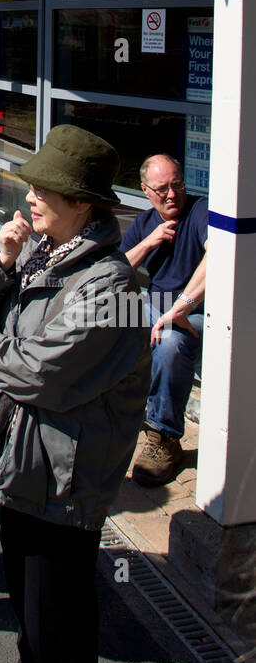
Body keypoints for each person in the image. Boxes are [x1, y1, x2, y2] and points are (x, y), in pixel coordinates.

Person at [0, 125, 150, 663]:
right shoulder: (40, 254)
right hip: (27, 463)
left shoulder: (111, 285)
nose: (29, 196)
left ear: (82, 204)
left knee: (60, 620)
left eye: (45, 189)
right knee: (27, 600)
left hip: (67, 478)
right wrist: (3, 265)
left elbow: (40, 374)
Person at [120, 154, 207, 487]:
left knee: (169, 343)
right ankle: (96, 407)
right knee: (92, 317)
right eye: (162, 189)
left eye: (177, 185)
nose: (172, 195)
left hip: (196, 314)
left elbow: (218, 254)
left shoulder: (200, 212)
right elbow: (115, 270)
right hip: (153, 306)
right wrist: (149, 241)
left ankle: (163, 436)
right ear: (145, 191)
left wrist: (181, 308)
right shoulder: (144, 223)